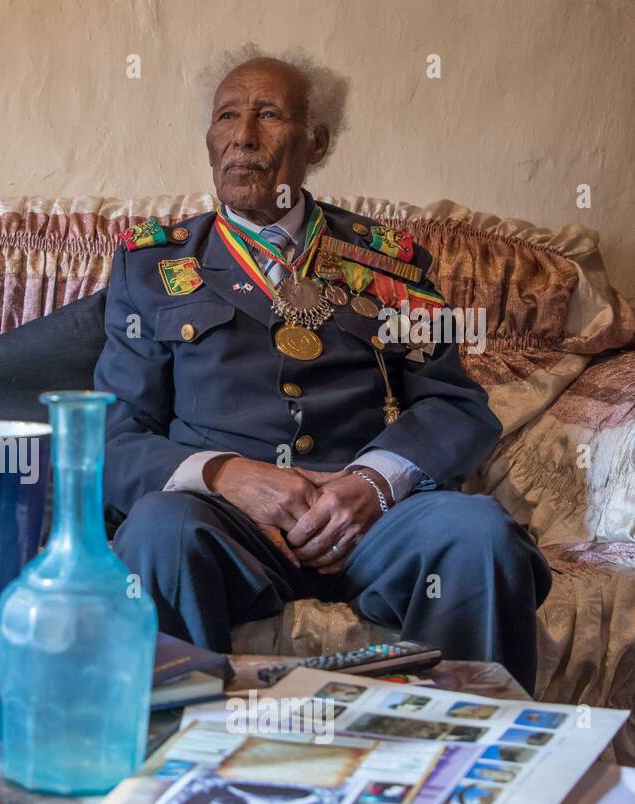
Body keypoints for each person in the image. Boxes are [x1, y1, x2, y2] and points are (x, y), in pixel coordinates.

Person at [95, 47, 551, 691]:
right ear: (210, 140)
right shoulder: (151, 265)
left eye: (269, 115)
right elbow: (115, 432)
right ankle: (177, 745)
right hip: (224, 525)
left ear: (317, 143)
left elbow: (455, 404)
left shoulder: (390, 262)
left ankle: (465, 745)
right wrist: (227, 476)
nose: (243, 136)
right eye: (226, 116)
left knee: (478, 533)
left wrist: (372, 483)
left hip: (371, 523)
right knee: (159, 528)